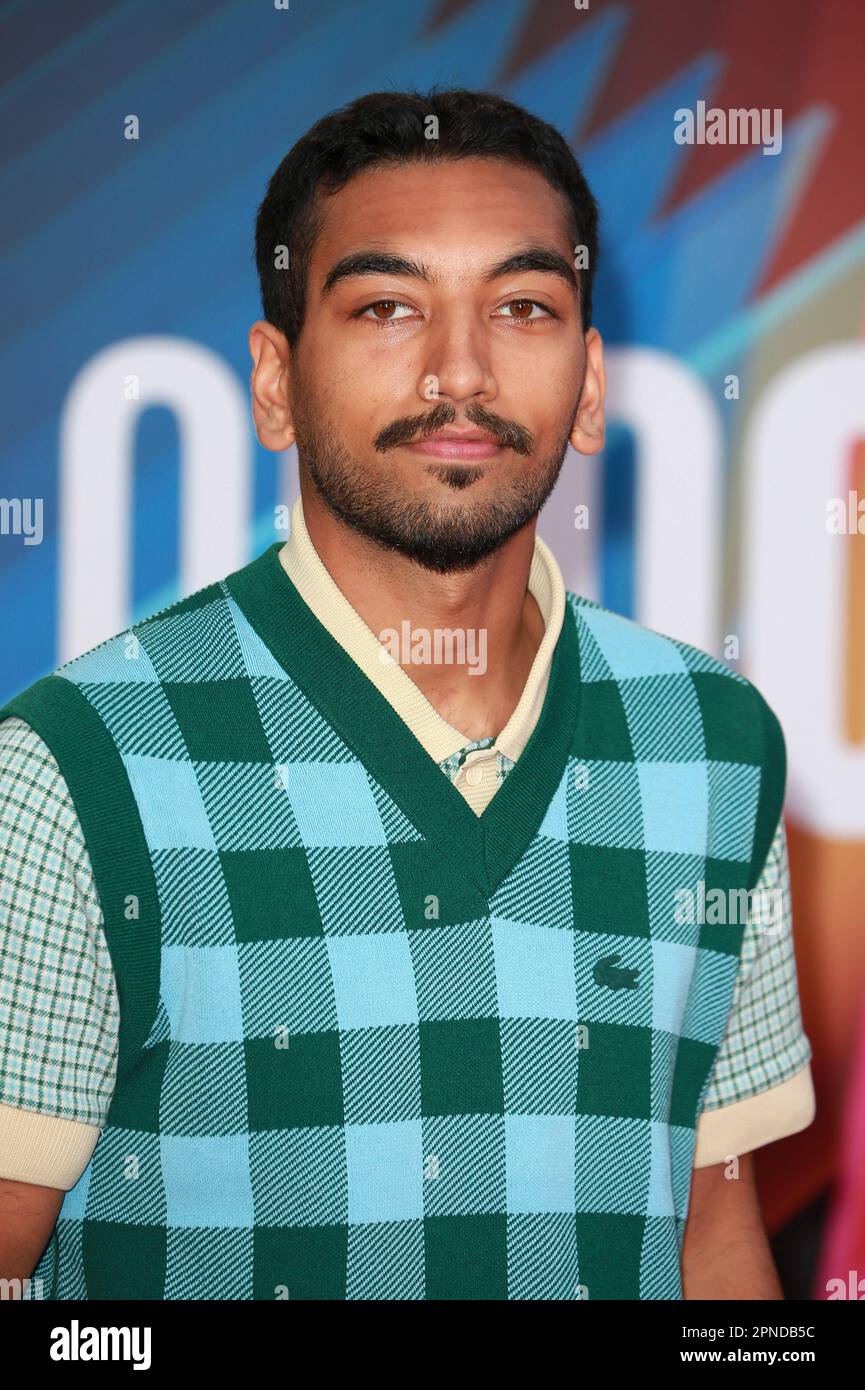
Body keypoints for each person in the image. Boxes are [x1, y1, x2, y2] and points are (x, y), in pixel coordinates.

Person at [0, 87, 814, 1301]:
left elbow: (715, 1234)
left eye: (522, 306)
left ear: (590, 387)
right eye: (387, 307)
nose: (459, 372)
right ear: (275, 381)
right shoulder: (75, 765)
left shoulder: (713, 742)